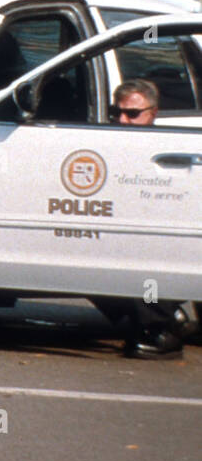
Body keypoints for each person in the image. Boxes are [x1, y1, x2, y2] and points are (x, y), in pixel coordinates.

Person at [95, 80, 187, 358]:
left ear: (154, 113)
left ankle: (159, 332)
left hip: (158, 238)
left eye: (133, 114)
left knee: (144, 248)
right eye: (117, 113)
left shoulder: (166, 152)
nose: (123, 120)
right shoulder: (108, 143)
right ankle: (150, 316)